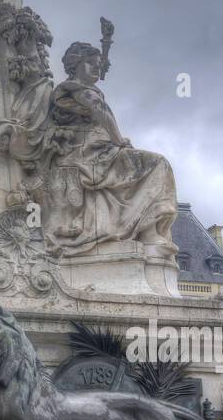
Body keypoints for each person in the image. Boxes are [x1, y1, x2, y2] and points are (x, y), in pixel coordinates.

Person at [37, 42, 178, 259]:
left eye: (98, 65)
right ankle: (149, 233)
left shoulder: (80, 89)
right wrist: (118, 140)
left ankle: (148, 231)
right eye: (91, 64)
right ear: (75, 64)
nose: (96, 69)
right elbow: (99, 110)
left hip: (98, 150)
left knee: (154, 165)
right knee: (158, 164)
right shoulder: (73, 89)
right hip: (84, 152)